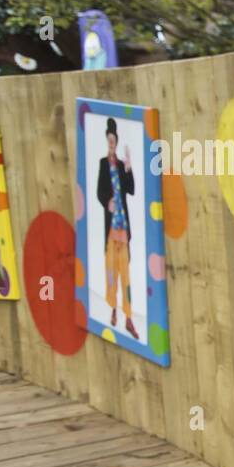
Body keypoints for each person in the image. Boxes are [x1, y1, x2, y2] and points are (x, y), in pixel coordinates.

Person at [95, 116, 138, 340]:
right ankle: (113, 309)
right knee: (111, 273)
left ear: (117, 141)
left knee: (126, 275)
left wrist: (129, 167)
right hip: (110, 231)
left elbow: (131, 190)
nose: (111, 142)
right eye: (109, 139)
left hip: (124, 230)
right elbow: (99, 191)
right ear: (106, 140)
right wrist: (106, 202)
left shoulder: (121, 165)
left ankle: (128, 317)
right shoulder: (103, 164)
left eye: (114, 139)